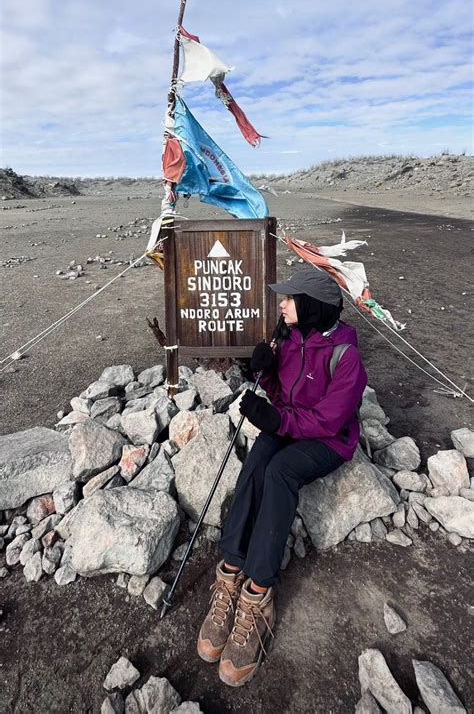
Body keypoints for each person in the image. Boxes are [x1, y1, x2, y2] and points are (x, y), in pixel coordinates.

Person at [197, 268, 368, 687]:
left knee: (280, 471)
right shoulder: (290, 338)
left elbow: (330, 419)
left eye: (290, 299)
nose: (281, 305)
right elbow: (281, 393)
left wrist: (277, 419)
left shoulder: (346, 355)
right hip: (293, 423)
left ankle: (258, 592)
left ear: (312, 305)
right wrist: (264, 370)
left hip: (328, 440)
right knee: (257, 461)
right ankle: (232, 567)